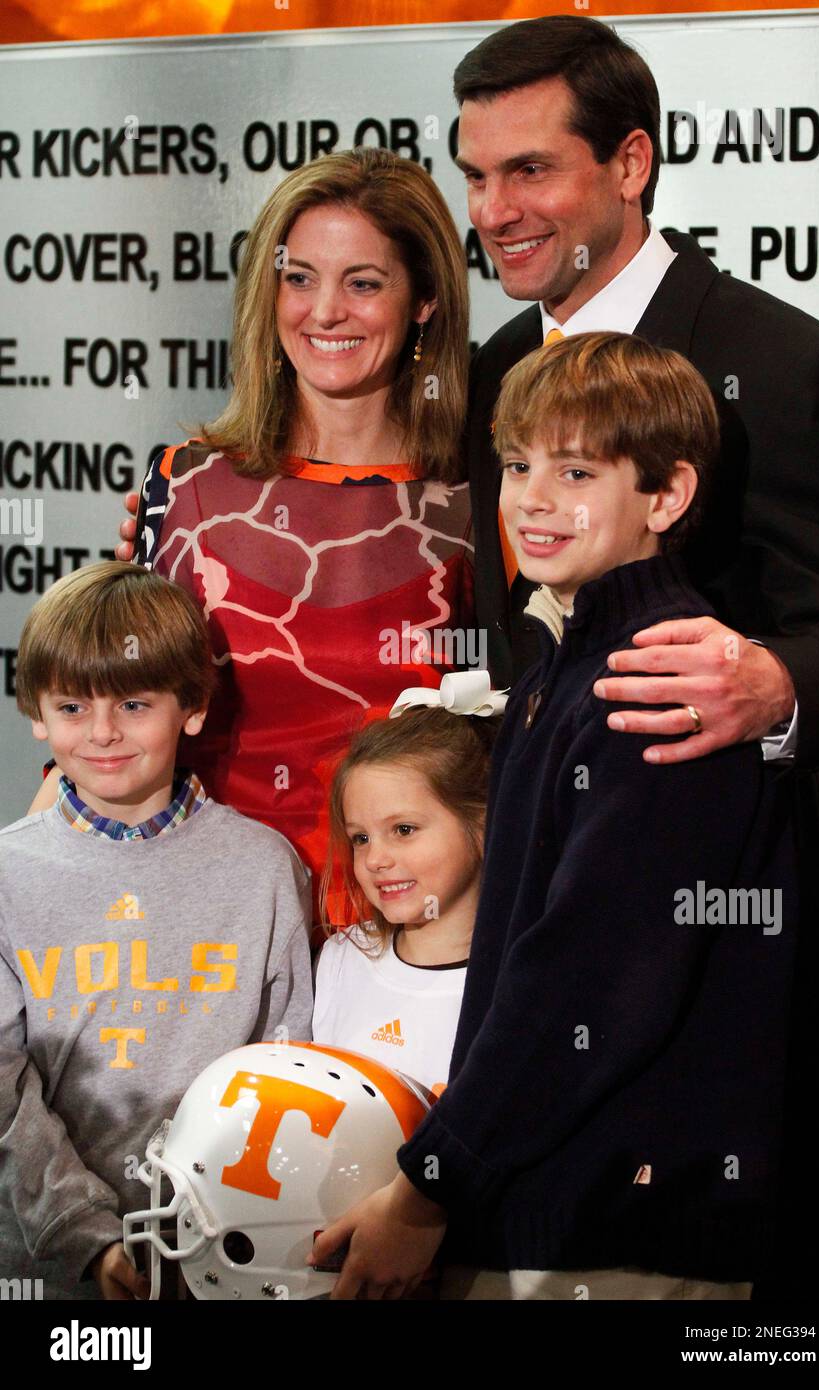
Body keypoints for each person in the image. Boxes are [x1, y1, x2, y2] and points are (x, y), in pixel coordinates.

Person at [452, 14, 819, 1298]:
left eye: (530, 170)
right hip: (534, 915)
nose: (494, 209)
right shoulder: (496, 370)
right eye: (474, 173)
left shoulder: (779, 362)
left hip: (713, 968)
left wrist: (781, 685)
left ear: (628, 164)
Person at [309, 332, 801, 1302]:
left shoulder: (651, 679)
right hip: (556, 1216)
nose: (533, 498)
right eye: (518, 464)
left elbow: (585, 981)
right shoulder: (562, 668)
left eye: (576, 470)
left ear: (665, 497)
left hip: (624, 1237)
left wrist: (425, 1189)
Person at [76, 145, 475, 926]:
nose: (325, 312)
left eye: (363, 282)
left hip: (408, 930)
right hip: (205, 924)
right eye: (299, 278)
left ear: (425, 298)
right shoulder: (186, 485)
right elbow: (125, 715)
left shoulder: (478, 500)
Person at [1, 562, 313, 1300]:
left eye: (135, 704)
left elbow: (288, 1069)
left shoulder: (265, 868)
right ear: (38, 715)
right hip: (49, 1274)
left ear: (193, 707)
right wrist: (88, 1234)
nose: (102, 733)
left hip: (229, 1264)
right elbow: (5, 1095)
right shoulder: (8, 872)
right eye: (72, 707)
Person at [313, 672, 504, 1095]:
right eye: (360, 838)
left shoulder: (524, 981)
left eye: (403, 829)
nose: (376, 860)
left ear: (483, 823)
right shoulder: (341, 961)